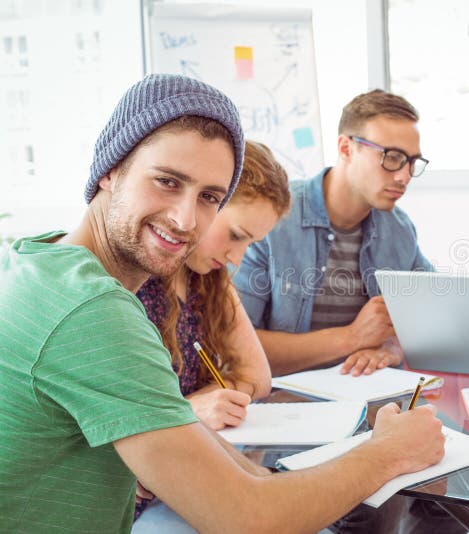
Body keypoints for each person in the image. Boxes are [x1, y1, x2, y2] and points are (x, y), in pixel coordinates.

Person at [0, 74, 445, 533]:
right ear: (111, 169)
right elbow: (249, 518)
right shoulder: (94, 311)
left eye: (210, 196)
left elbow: (241, 475)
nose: (185, 218)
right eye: (167, 181)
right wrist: (389, 451)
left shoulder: (40, 261)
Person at [133, 140, 291, 519]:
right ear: (207, 203)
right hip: (140, 492)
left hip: (195, 466)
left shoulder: (209, 278)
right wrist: (188, 414)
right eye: (236, 235)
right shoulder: (136, 281)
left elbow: (257, 376)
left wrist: (210, 401)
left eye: (249, 244)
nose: (236, 258)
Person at [233, 89, 433, 377]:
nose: (403, 176)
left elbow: (432, 315)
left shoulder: (400, 229)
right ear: (345, 148)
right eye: (392, 157)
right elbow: (235, 350)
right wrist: (351, 338)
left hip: (370, 399)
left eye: (412, 162)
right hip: (285, 405)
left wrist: (392, 347)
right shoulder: (273, 218)